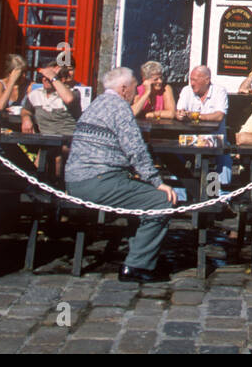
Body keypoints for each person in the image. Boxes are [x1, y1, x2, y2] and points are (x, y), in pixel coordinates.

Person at [65, 67, 178, 283]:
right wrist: (157, 182)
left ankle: (141, 255)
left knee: (138, 194)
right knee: (161, 200)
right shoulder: (119, 108)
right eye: (135, 88)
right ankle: (137, 266)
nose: (136, 93)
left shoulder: (96, 104)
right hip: (98, 180)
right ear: (124, 89)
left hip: (76, 180)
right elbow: (135, 150)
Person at [22, 63, 81, 133]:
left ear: (62, 80)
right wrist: (26, 118)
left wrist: (52, 77)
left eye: (50, 78)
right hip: (44, 140)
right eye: (44, 76)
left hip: (68, 140)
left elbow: (69, 99)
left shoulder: (73, 93)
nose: (46, 79)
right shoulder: (36, 94)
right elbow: (26, 110)